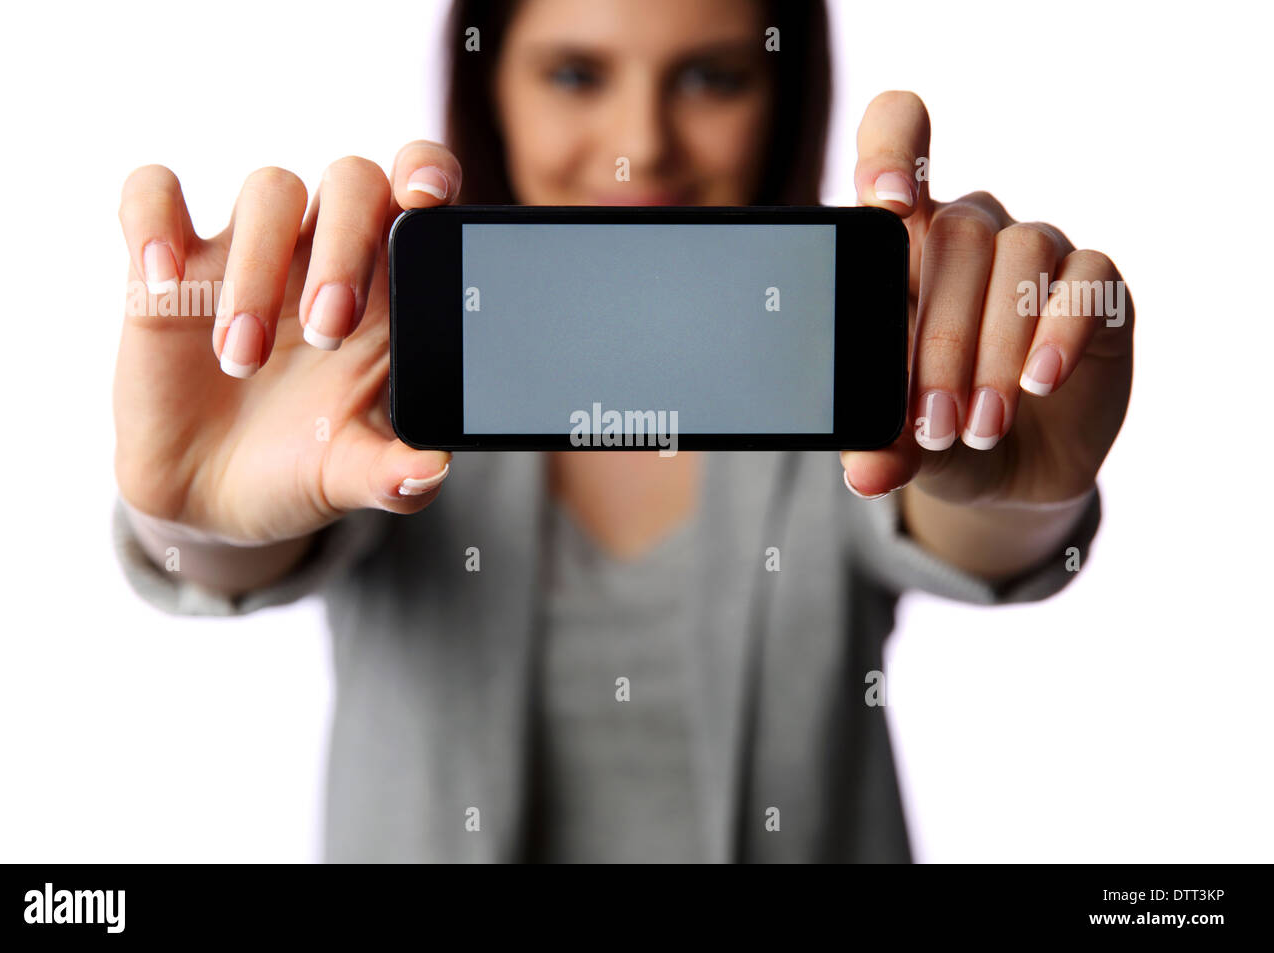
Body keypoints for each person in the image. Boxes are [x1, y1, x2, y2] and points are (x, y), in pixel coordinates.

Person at [111, 0, 1131, 862]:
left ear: (779, 97)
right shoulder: (377, 372)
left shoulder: (851, 366)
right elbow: (228, 555)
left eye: (708, 78)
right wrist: (187, 508)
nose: (640, 139)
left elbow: (979, 529)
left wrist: (1030, 484)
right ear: (492, 87)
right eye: (573, 73)